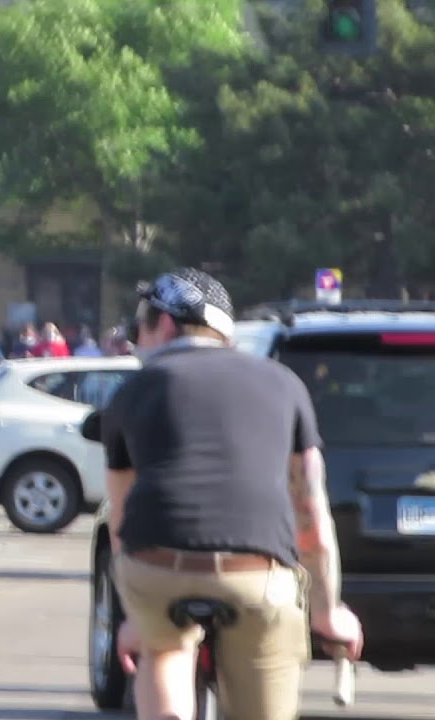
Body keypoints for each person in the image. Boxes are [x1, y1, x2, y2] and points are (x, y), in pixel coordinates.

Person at [100, 268, 363, 720]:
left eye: (139, 323)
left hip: (156, 571)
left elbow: (121, 518)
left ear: (165, 324)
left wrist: (135, 621)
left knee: (163, 652)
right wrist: (328, 611)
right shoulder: (284, 385)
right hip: (256, 575)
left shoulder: (131, 392)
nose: (133, 336)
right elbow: (312, 516)